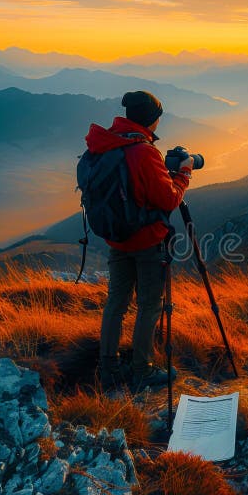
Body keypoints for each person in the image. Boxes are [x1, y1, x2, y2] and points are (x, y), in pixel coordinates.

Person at [84, 91, 194, 391]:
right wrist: (183, 175)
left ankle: (108, 368)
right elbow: (168, 198)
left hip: (117, 239)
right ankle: (141, 369)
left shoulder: (107, 142)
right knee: (149, 305)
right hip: (147, 242)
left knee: (116, 303)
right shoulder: (144, 152)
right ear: (153, 120)